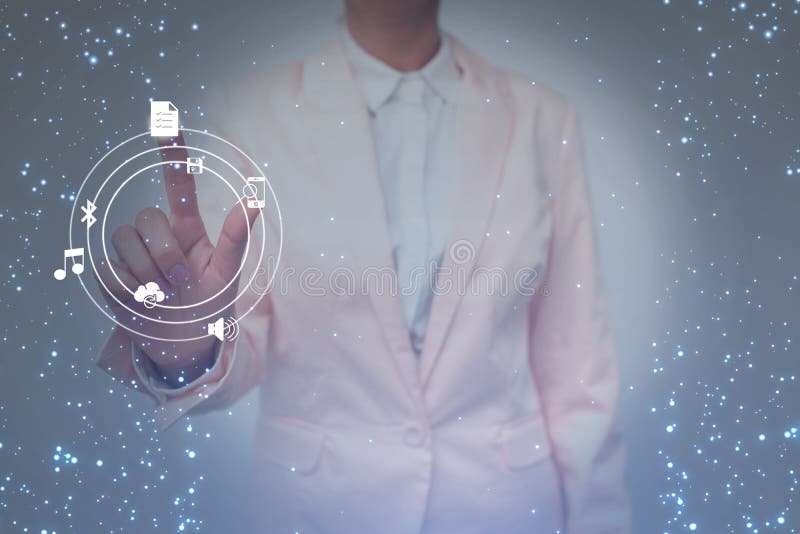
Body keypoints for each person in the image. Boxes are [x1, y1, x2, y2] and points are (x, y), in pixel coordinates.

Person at [95, 0, 631, 531]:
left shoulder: (543, 119)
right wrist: (195, 342)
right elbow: (241, 332)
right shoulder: (250, 114)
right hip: (317, 510)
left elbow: (577, 366)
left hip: (504, 510)